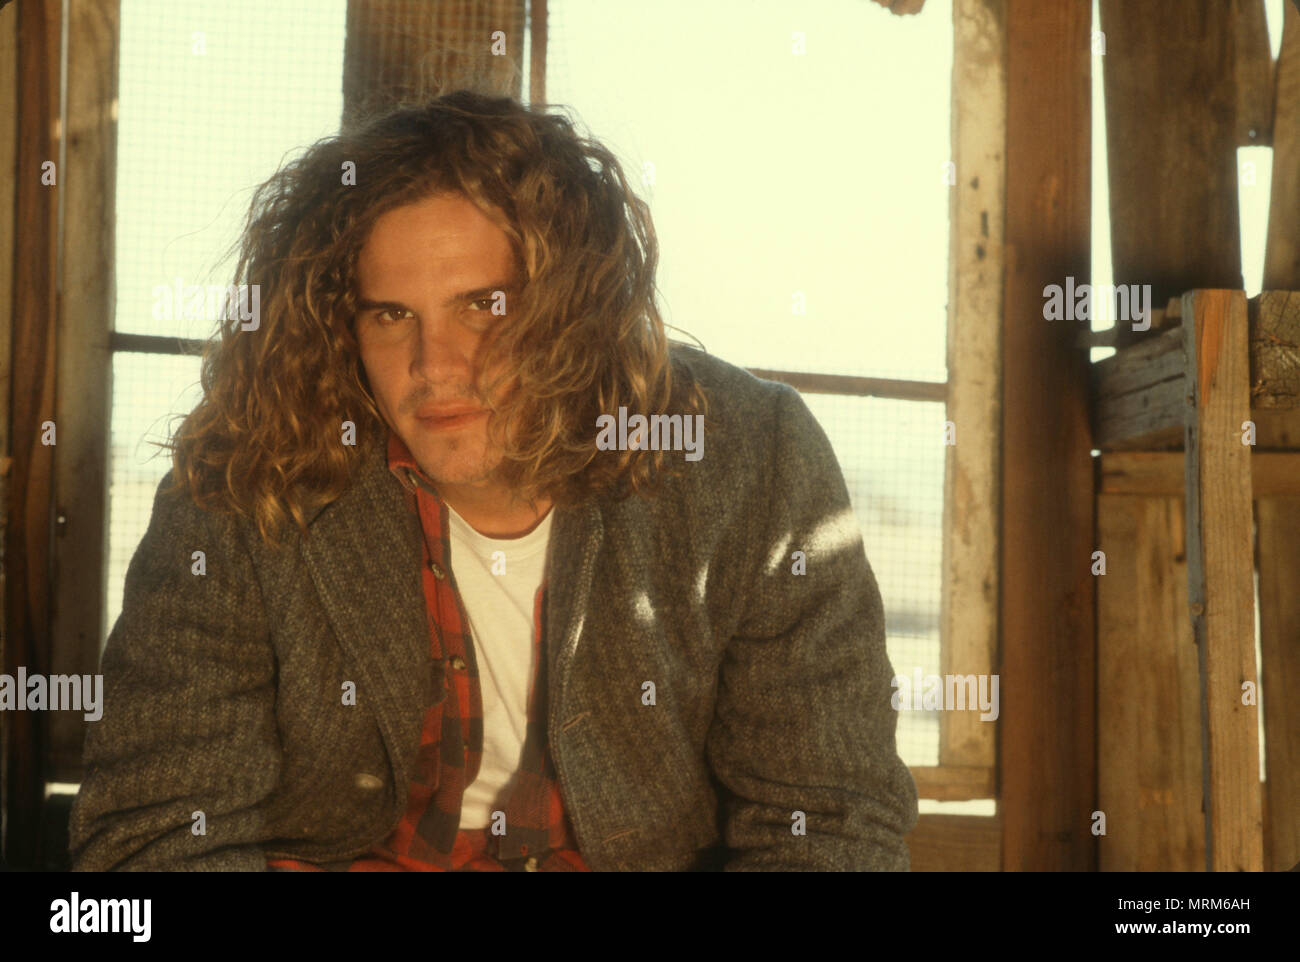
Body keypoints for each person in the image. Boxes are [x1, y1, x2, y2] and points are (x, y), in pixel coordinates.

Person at [68, 90, 918, 871]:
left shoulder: (749, 453)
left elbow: (830, 817)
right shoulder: (254, 465)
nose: (437, 367)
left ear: (574, 307)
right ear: (340, 322)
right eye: (391, 314)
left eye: (486, 307)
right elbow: (157, 835)